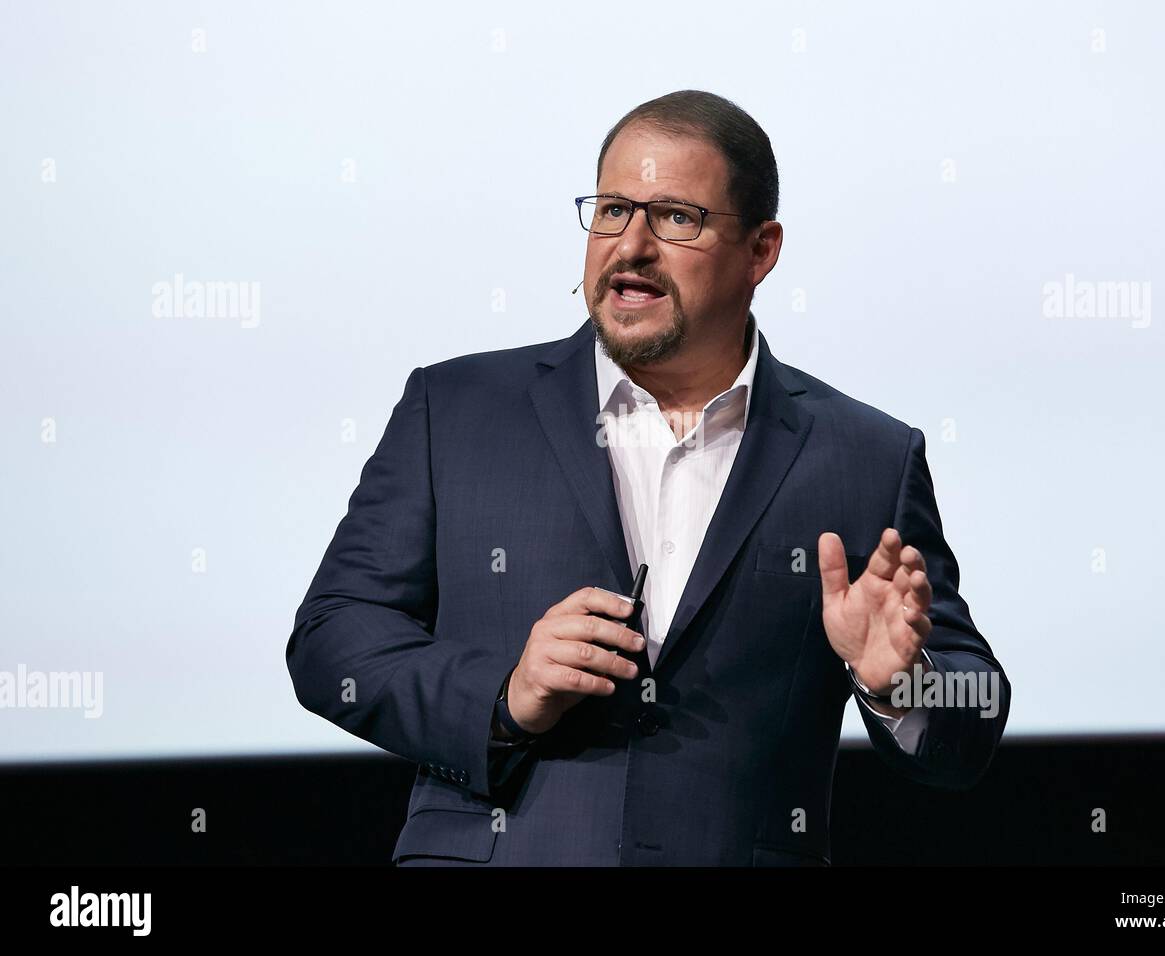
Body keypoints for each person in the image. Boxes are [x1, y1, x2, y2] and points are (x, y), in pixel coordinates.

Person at [286, 89, 1010, 866]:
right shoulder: (456, 411)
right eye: (610, 211)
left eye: (675, 217)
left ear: (761, 251)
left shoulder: (865, 455)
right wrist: (505, 695)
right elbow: (333, 639)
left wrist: (900, 682)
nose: (629, 247)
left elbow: (975, 710)